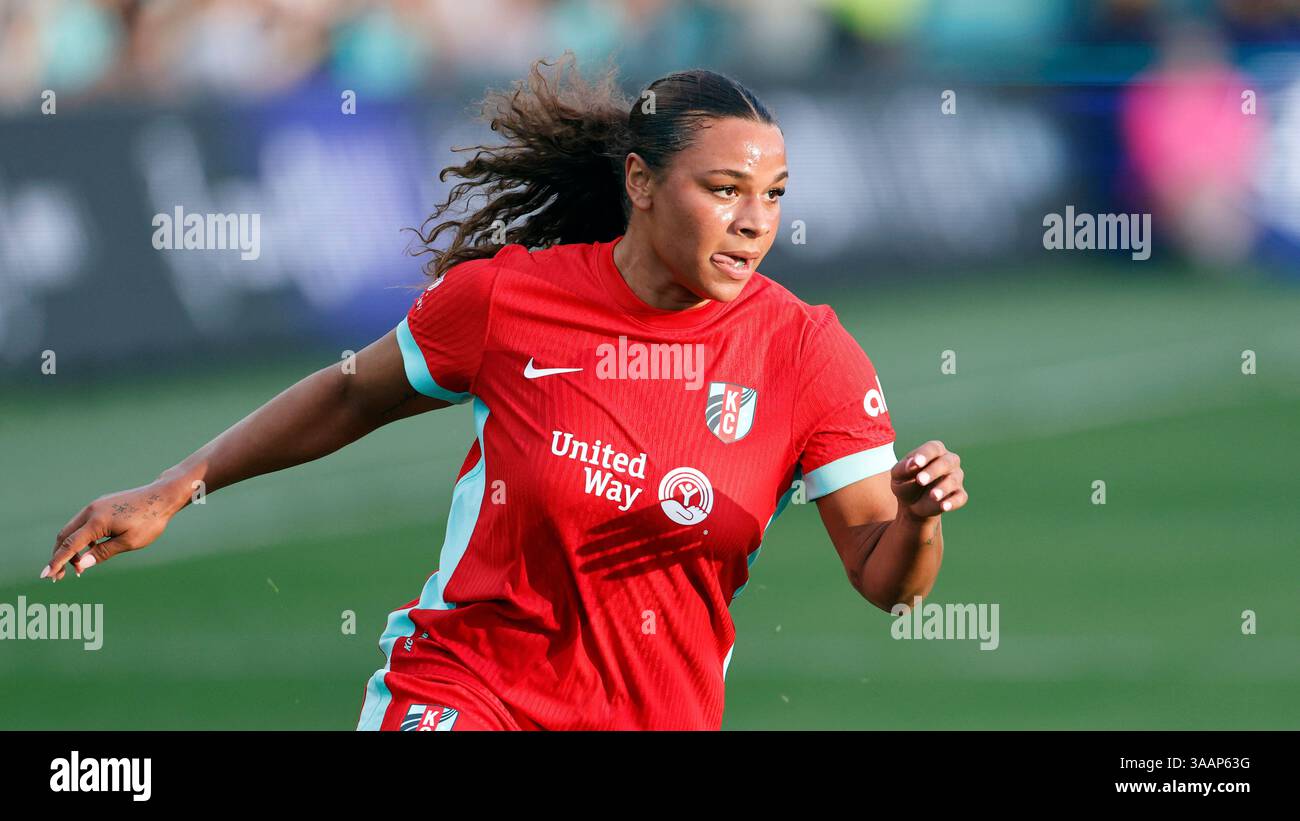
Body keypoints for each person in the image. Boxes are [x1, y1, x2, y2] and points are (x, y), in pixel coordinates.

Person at [42, 54, 967, 730]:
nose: (754, 221)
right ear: (640, 183)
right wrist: (177, 485)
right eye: (725, 189)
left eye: (772, 194)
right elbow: (350, 395)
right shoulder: (510, 298)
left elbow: (888, 582)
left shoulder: (806, 350)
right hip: (463, 690)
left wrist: (919, 519)